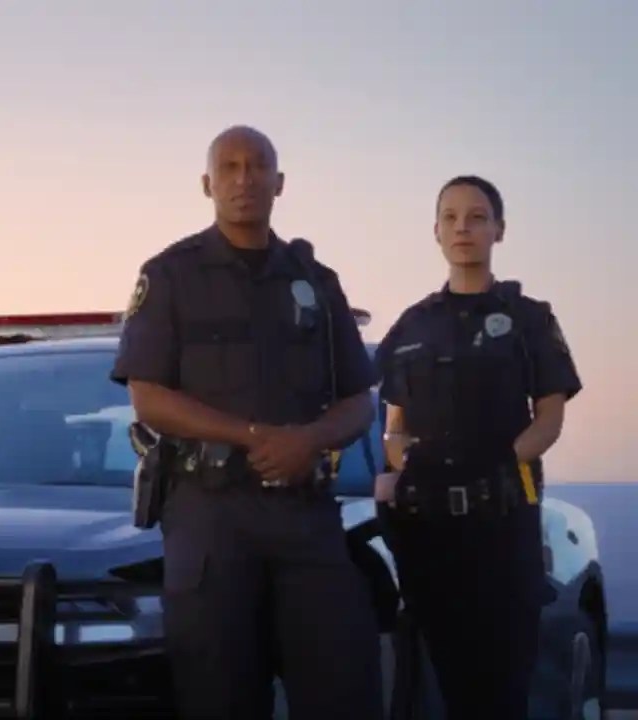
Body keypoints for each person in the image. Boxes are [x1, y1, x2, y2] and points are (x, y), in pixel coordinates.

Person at [111, 125, 384, 719]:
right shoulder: (171, 276)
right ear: (208, 184)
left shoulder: (316, 282)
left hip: (306, 517)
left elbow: (359, 401)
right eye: (229, 168)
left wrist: (307, 441)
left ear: (279, 183)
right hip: (210, 520)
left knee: (345, 691)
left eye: (257, 166)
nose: (244, 179)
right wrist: (255, 438)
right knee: (220, 700)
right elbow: (148, 396)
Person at [374, 175, 581, 718]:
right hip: (430, 537)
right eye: (450, 217)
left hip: (501, 529)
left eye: (477, 216)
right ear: (436, 233)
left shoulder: (528, 318)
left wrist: (492, 463)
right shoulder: (412, 326)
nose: (462, 227)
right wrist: (407, 461)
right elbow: (393, 426)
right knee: (439, 689)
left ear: (499, 230)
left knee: (501, 692)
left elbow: (550, 418)